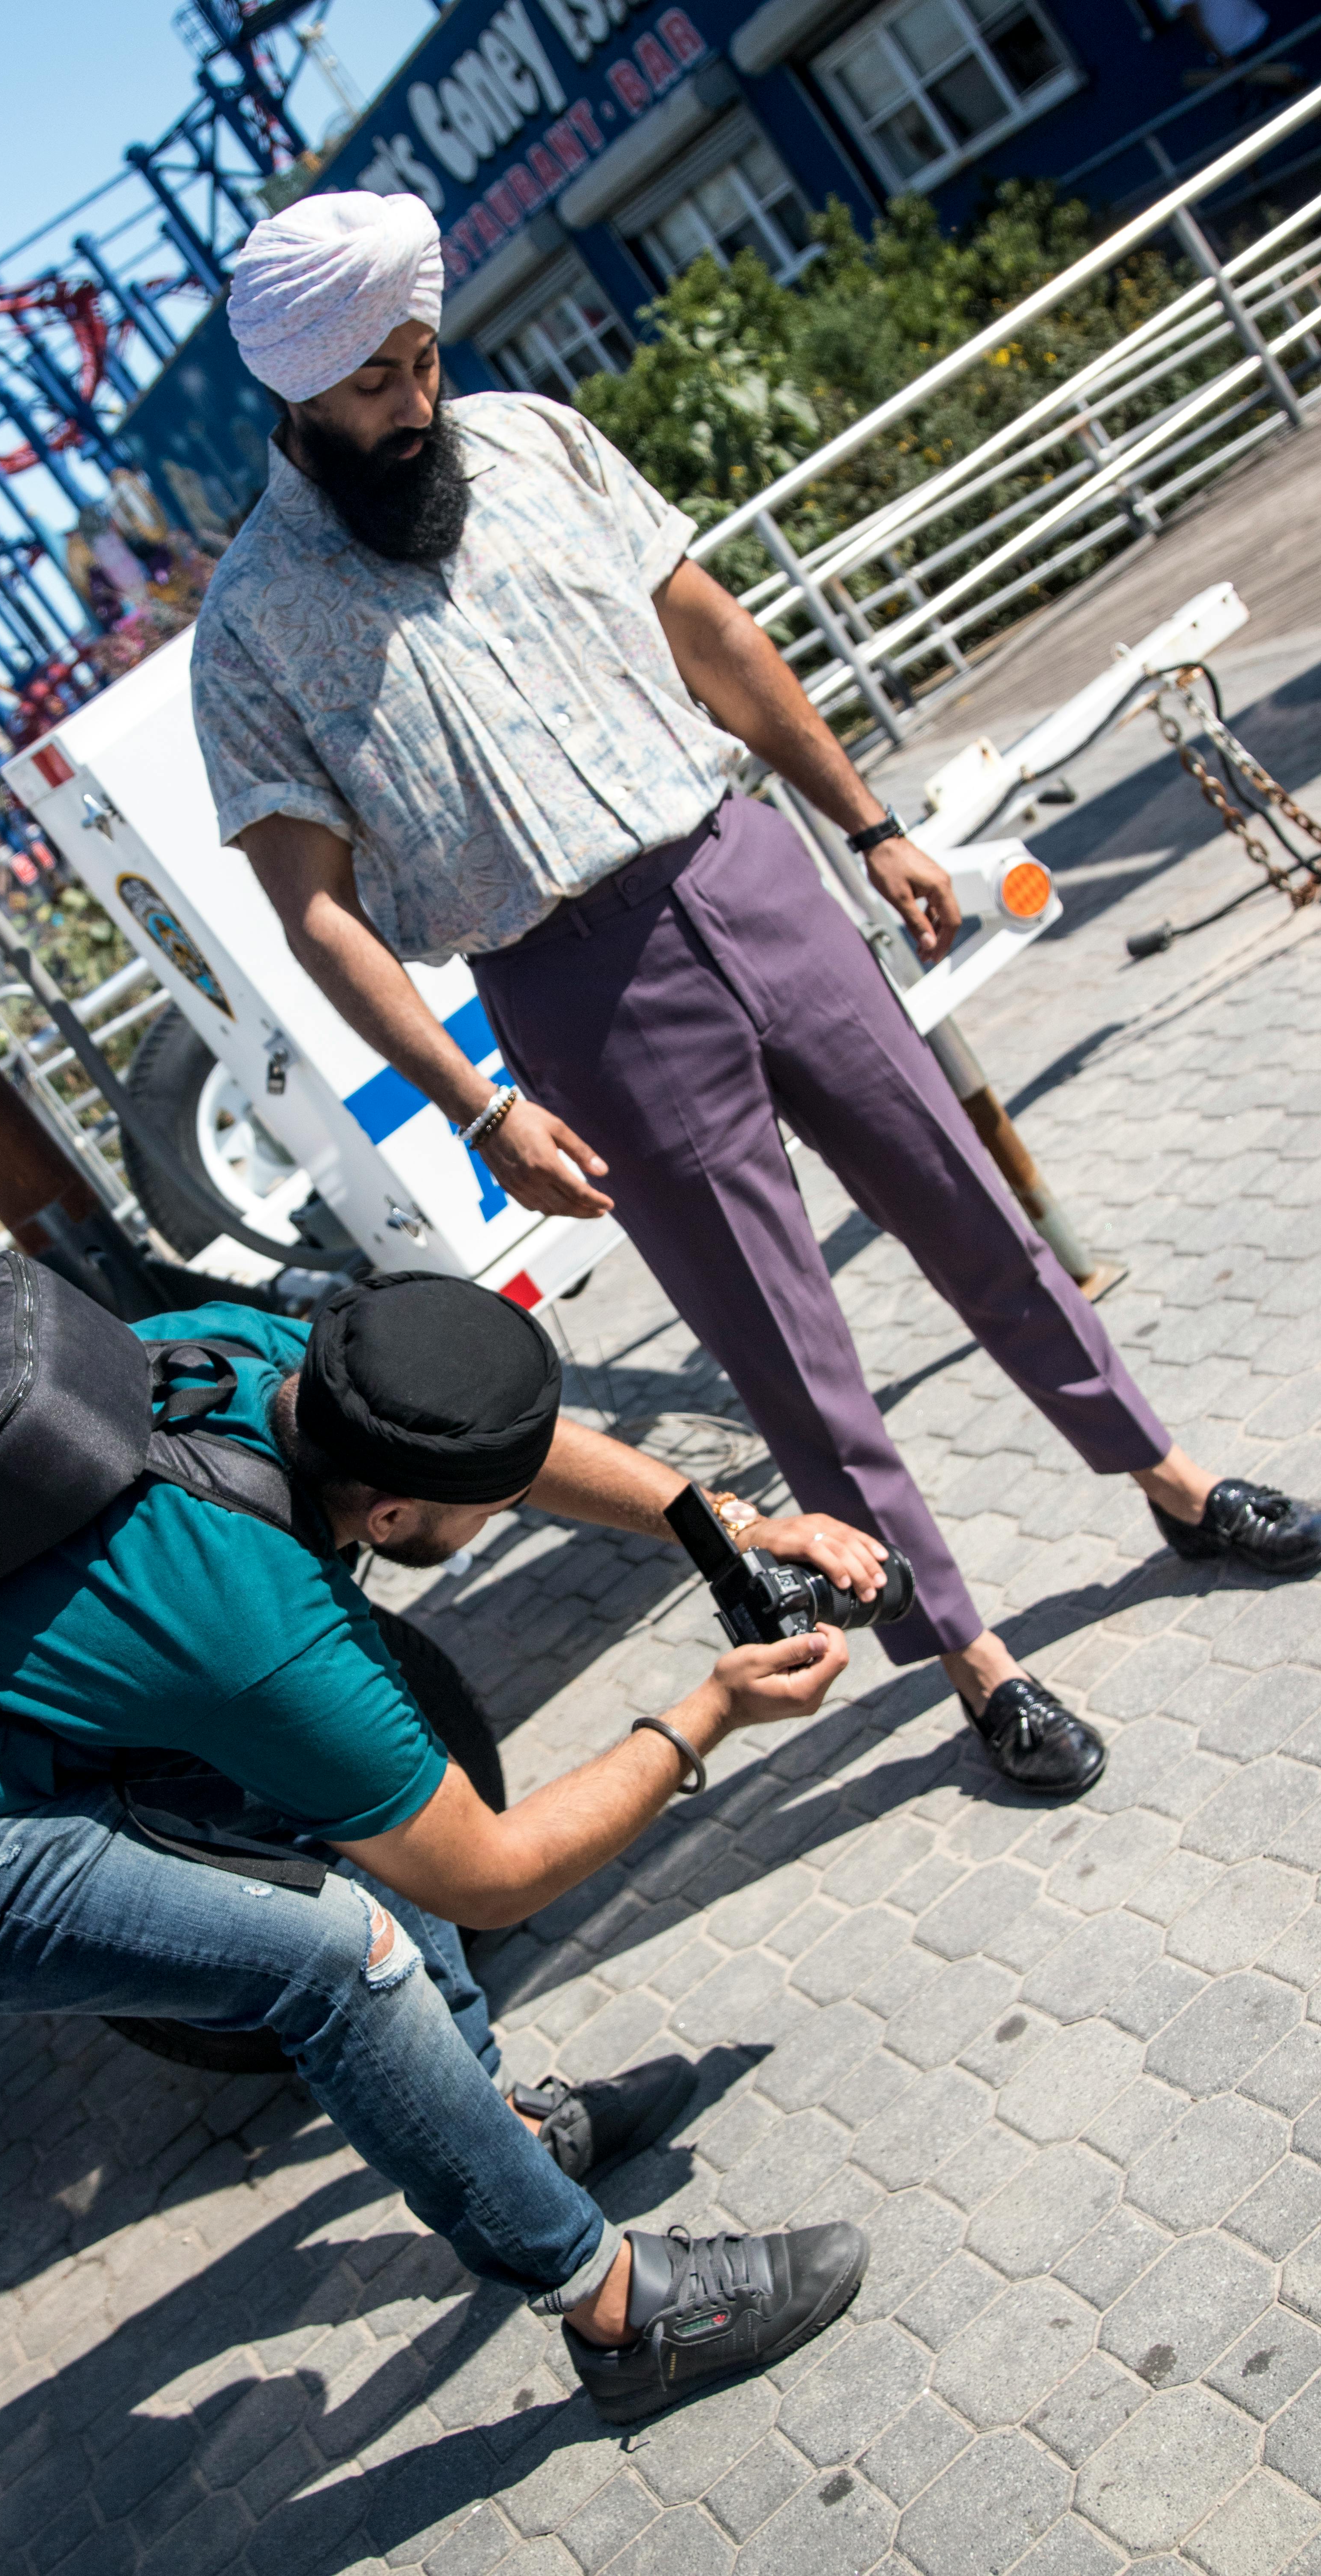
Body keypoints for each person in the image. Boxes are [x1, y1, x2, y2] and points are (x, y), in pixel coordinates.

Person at [191, 189, 1321, 1803]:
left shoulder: (537, 446)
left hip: (751, 875)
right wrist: (483, 1103)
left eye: (421, 357)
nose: (412, 403)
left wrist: (872, 825)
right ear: (294, 390)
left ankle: (1169, 1478)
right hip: (575, 986)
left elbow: (713, 634)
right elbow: (313, 912)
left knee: (967, 1211)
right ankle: (970, 1659)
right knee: (787, 1353)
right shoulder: (249, 628)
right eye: (371, 384)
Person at [0, 1272, 874, 2421]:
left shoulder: (253, 1361)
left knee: (346, 1815)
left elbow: (498, 1446)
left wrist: (725, 1527)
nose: (500, 1517)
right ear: (388, 1518)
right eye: (487, 1512)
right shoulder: (258, 1632)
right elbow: (492, 1872)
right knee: (333, 1955)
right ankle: (614, 2309)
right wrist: (704, 1718)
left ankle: (504, 2135)